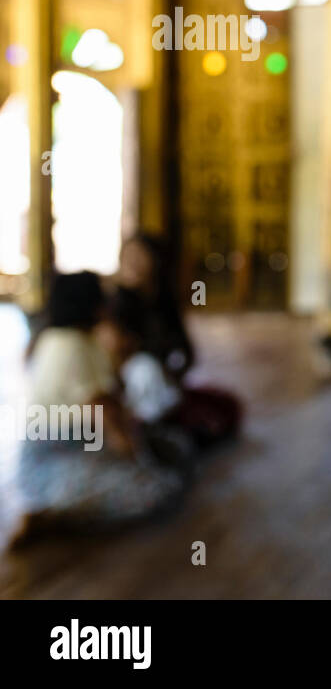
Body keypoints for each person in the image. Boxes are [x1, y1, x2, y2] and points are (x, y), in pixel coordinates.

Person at [7, 271, 187, 548]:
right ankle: (54, 514)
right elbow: (109, 420)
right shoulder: (69, 345)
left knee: (176, 449)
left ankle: (66, 508)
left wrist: (117, 350)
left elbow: (115, 396)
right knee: (158, 490)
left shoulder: (82, 340)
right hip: (55, 459)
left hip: (88, 446)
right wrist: (141, 463)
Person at [112, 233, 242, 448]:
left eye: (139, 256)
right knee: (144, 371)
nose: (133, 263)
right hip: (134, 385)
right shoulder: (115, 301)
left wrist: (173, 373)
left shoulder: (164, 301)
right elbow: (118, 354)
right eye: (128, 256)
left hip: (164, 383)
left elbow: (186, 349)